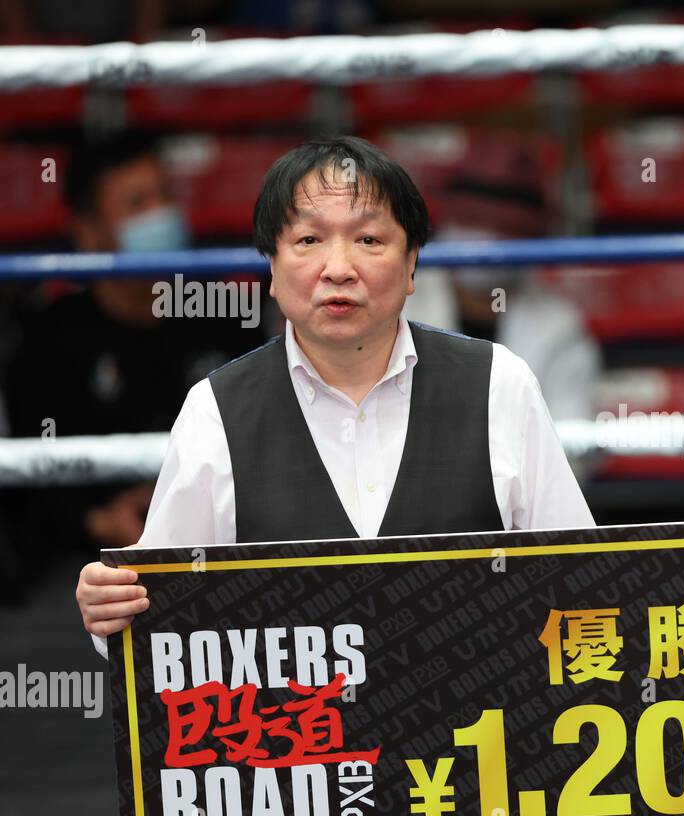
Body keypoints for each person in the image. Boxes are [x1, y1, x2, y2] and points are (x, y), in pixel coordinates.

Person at [75, 136, 594, 658]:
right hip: (297, 733)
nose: (338, 267)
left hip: (478, 727)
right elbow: (158, 616)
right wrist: (109, 612)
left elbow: (582, 584)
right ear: (271, 267)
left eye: (368, 240)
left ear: (412, 263)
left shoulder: (499, 383)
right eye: (308, 241)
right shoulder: (215, 409)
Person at [2, 135, 267, 559]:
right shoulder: (49, 341)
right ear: (89, 232)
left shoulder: (228, 314)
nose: (160, 214)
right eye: (137, 203)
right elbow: (32, 477)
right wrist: (101, 521)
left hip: (224, 543)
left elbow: (265, 446)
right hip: (81, 564)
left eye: (164, 195)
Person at [403, 138, 601, 422]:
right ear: (446, 221)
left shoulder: (560, 326)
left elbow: (572, 444)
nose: (484, 238)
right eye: (471, 220)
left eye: (503, 227)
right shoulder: (396, 304)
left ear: (529, 238)